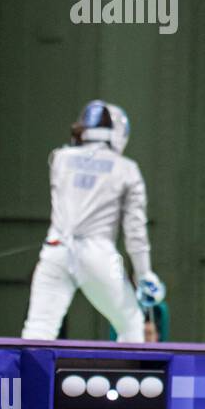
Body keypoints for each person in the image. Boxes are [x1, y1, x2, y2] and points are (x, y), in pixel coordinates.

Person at [21, 101, 165, 343]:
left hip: (55, 248)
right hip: (98, 254)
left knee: (39, 329)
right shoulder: (127, 169)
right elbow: (135, 231)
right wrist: (144, 275)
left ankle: (28, 382)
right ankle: (129, 379)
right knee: (131, 324)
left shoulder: (59, 159)